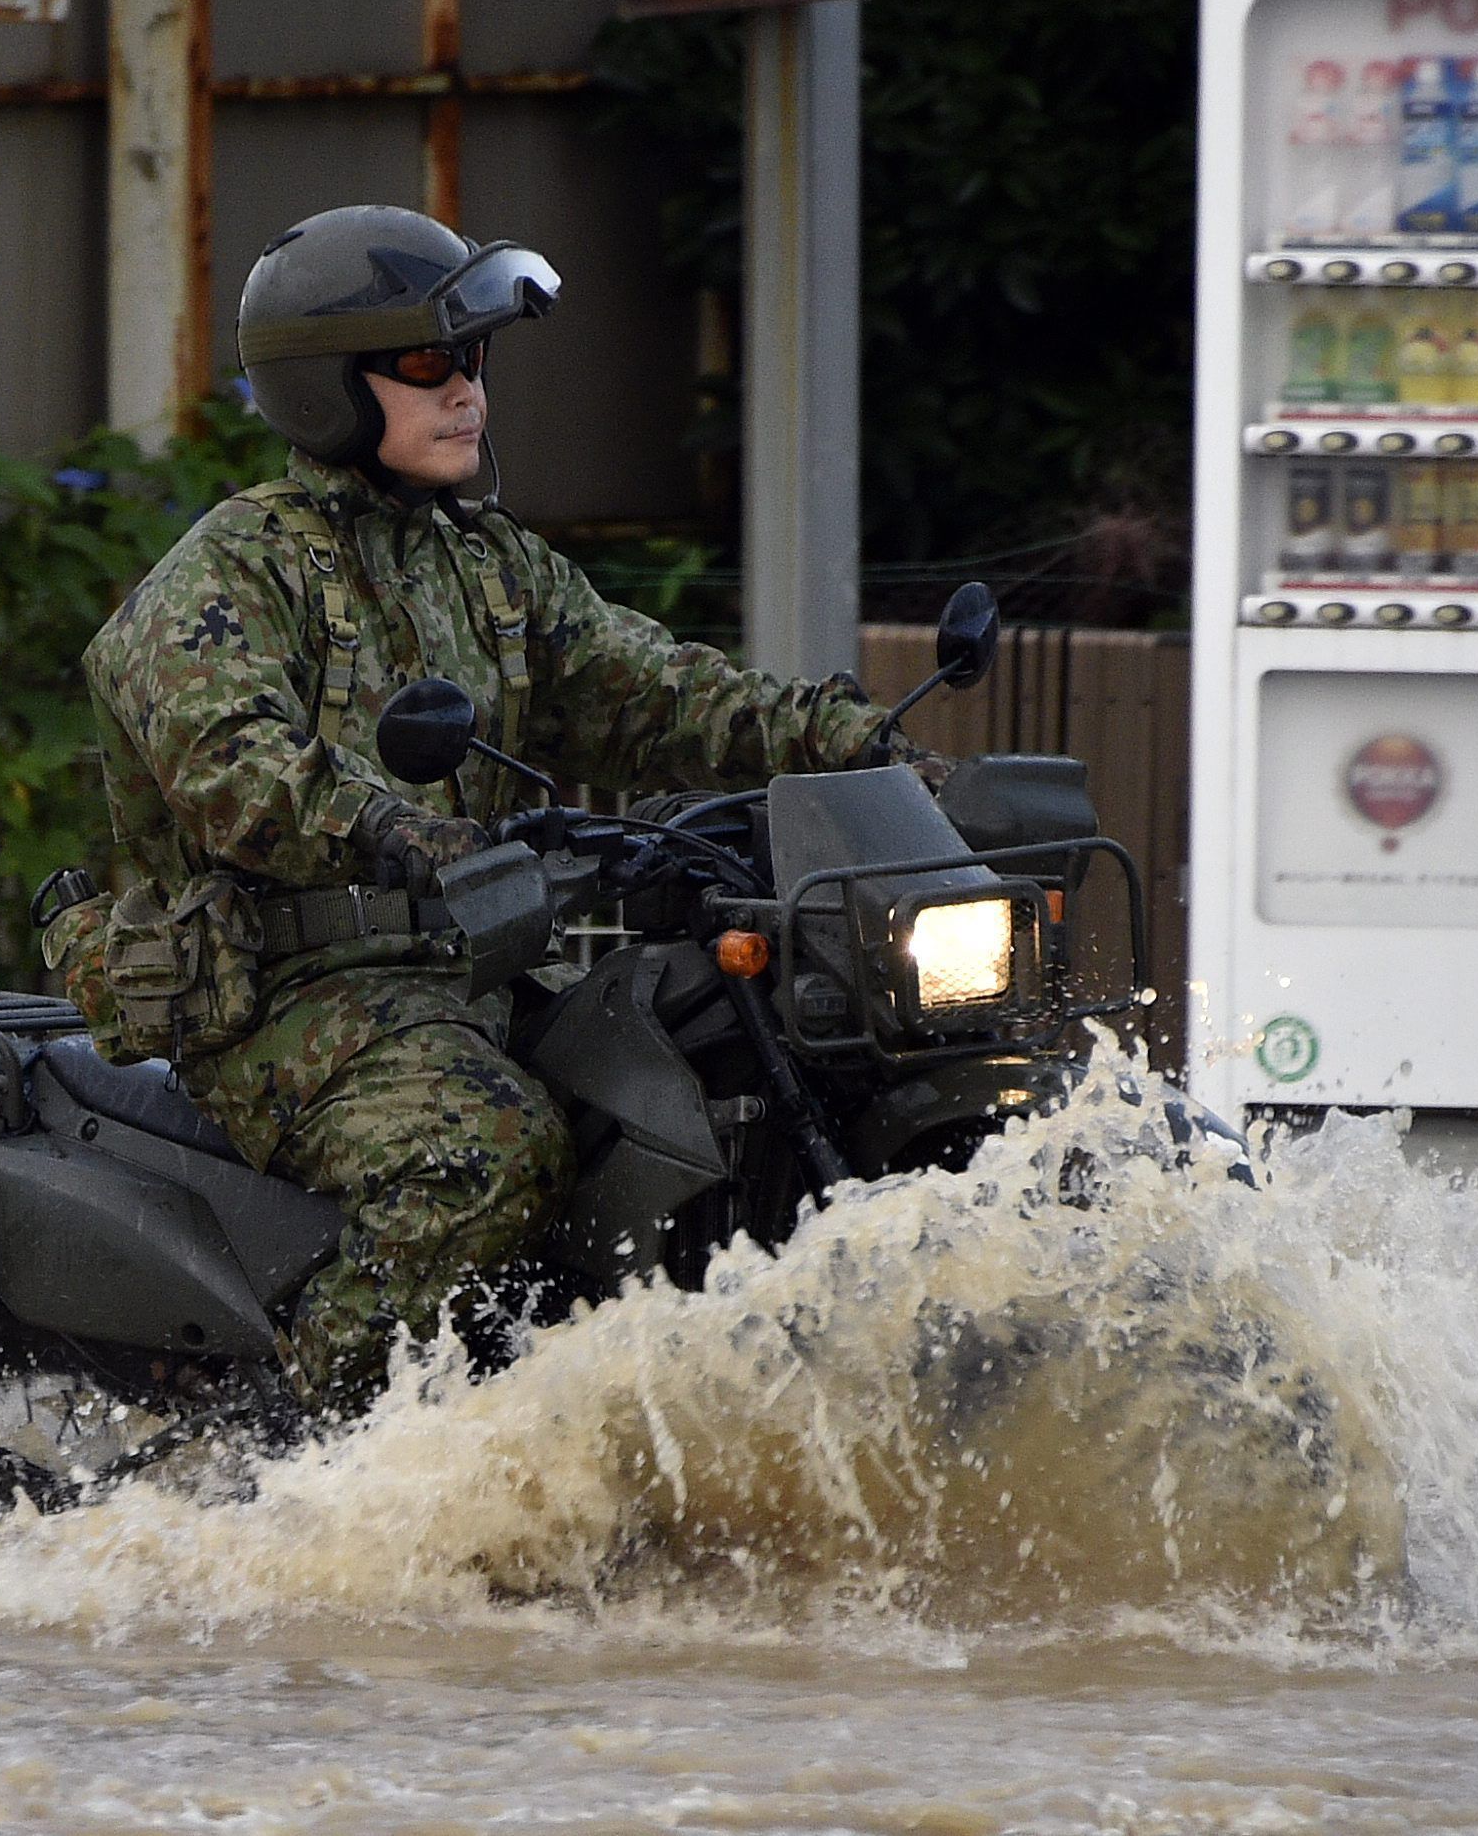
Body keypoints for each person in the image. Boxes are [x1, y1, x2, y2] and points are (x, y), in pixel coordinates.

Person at [79, 204, 905, 1412]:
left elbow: (651, 688)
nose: (466, 387)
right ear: (328, 389)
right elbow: (229, 766)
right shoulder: (234, 569)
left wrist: (854, 736)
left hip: (473, 975)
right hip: (290, 998)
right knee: (481, 1154)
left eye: (474, 356)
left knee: (704, 1084)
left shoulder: (486, 563)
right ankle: (296, 1448)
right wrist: (389, 827)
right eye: (428, 361)